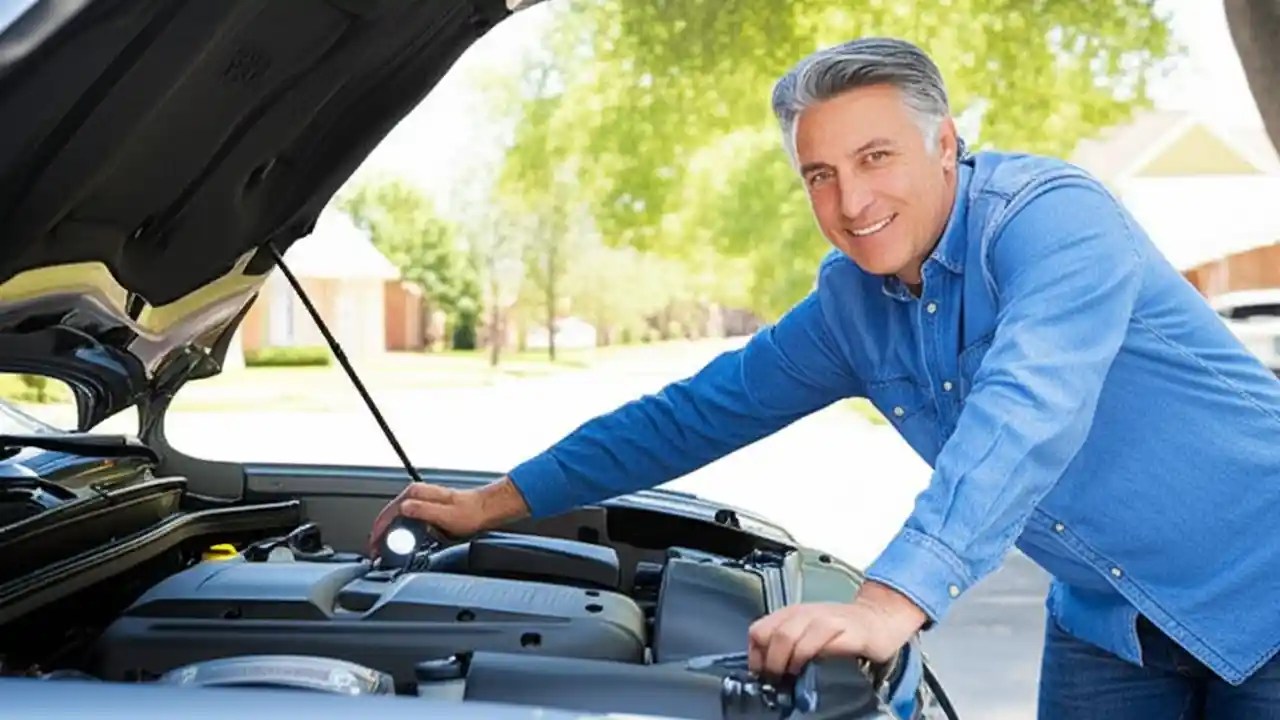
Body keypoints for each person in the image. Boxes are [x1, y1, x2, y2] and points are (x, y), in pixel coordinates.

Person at [370, 37, 1280, 718]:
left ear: (945, 144)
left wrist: (890, 602)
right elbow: (689, 416)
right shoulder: (856, 304)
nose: (850, 201)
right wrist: (490, 504)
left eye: (876, 157)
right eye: (820, 174)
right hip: (1108, 621)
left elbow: (1030, 410)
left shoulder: (1053, 222)